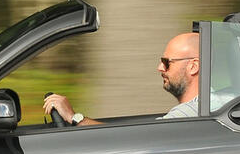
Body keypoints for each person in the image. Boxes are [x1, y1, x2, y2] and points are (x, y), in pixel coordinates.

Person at [42, 32, 200, 126]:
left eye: (167, 62)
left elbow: (142, 140)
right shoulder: (208, 104)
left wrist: (73, 117)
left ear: (193, 66)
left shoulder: (188, 114)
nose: (159, 67)